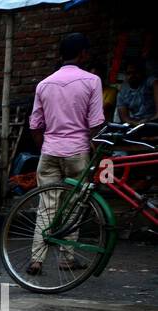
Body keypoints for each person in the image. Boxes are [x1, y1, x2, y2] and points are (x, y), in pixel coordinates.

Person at [27, 33, 105, 275]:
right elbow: (96, 124)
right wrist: (93, 148)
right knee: (73, 205)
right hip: (77, 151)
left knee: (46, 205)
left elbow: (35, 125)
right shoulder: (92, 81)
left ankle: (36, 259)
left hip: (50, 151)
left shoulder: (44, 84)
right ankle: (66, 257)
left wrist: (46, 147)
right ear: (82, 54)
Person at [116, 58, 157, 124]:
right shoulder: (122, 92)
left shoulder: (149, 81)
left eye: (135, 72)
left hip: (153, 121)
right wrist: (137, 124)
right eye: (129, 73)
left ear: (142, 73)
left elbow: (155, 83)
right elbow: (124, 118)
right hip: (136, 123)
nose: (132, 75)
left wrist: (154, 118)